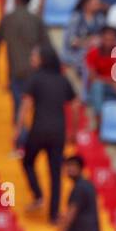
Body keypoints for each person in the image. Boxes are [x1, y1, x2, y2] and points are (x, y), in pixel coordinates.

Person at [20, 47, 76, 221]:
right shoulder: (62, 80)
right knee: (55, 174)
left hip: (38, 130)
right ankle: (53, 215)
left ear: (43, 59)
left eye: (35, 56)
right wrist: (72, 130)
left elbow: (26, 104)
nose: (32, 59)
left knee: (28, 161)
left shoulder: (35, 78)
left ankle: (38, 195)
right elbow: (75, 106)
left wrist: (18, 128)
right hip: (58, 132)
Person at [0, 0, 52, 128]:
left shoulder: (7, 19)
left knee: (19, 106)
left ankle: (20, 140)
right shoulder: (36, 20)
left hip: (16, 70)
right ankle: (35, 134)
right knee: (36, 105)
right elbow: (47, 47)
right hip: (35, 71)